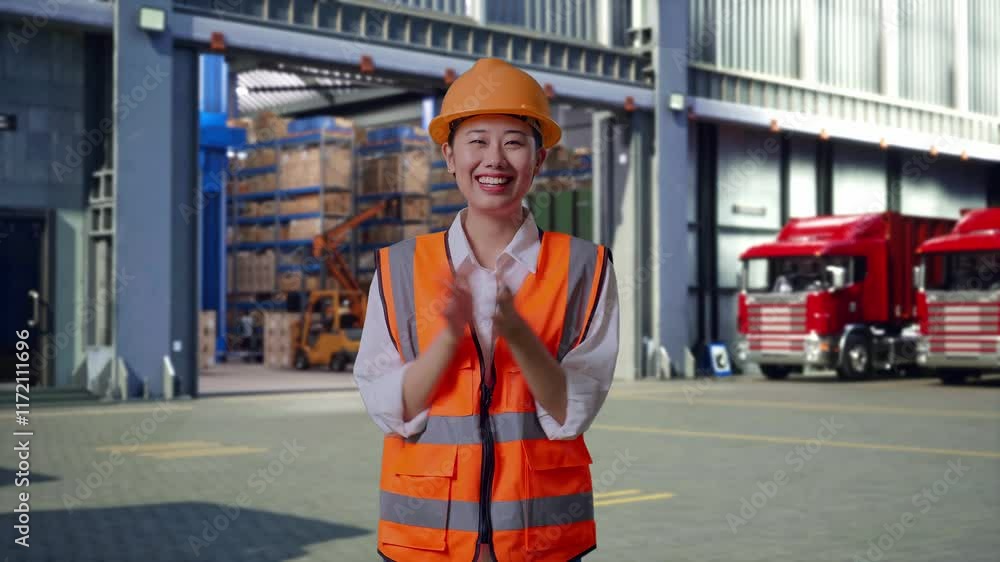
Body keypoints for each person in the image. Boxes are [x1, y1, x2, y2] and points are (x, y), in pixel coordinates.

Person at [353, 58, 620, 562]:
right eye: (477, 141)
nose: (494, 159)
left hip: (539, 538)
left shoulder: (586, 268)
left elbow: (572, 413)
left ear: (539, 160)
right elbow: (392, 411)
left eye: (514, 142)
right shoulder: (399, 269)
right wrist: (447, 340)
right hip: (427, 538)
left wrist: (519, 335)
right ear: (449, 156)